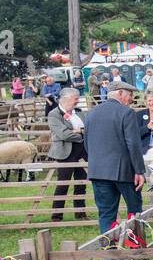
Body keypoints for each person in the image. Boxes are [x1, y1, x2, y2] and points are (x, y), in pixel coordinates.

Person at [83, 77, 145, 235]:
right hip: (124, 172)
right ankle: (136, 244)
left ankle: (108, 250)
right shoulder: (127, 113)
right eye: (129, 94)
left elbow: (87, 144)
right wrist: (139, 171)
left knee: (106, 213)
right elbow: (134, 144)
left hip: (98, 172)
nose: (131, 99)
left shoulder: (90, 114)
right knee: (134, 209)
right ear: (120, 93)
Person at [46, 86, 87, 222]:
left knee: (81, 184)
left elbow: (89, 129)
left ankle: (80, 213)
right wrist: (81, 133)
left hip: (82, 152)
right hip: (65, 153)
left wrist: (78, 131)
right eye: (76, 99)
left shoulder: (80, 112)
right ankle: (57, 216)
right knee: (63, 184)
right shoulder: (54, 114)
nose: (78, 101)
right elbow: (63, 134)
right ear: (66, 99)